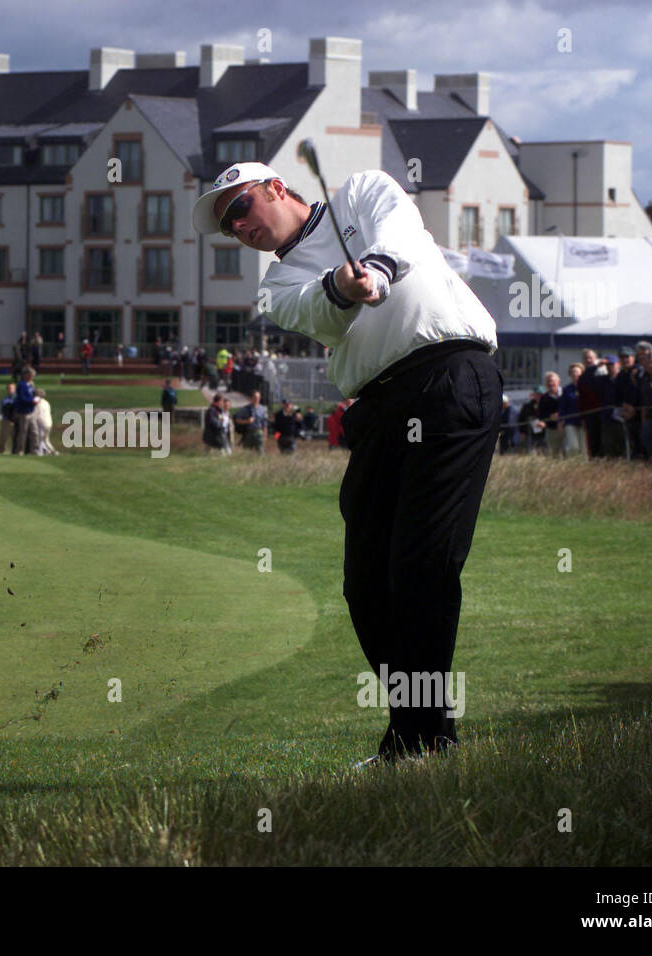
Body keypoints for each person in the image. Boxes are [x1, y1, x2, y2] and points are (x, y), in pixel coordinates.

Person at [194, 160, 501, 763]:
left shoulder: (359, 191)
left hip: (450, 375)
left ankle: (421, 741)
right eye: (229, 226)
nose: (239, 228)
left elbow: (401, 232)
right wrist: (344, 286)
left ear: (276, 188)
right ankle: (422, 733)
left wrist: (379, 270)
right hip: (381, 405)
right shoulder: (275, 286)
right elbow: (316, 311)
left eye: (241, 208)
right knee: (366, 583)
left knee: (421, 566)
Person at [538, 371, 566, 458]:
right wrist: (549, 418)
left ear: (558, 381)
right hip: (551, 429)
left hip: (567, 426)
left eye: (553, 381)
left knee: (568, 451)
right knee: (553, 454)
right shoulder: (544, 397)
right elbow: (541, 414)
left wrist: (561, 416)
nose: (551, 383)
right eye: (548, 381)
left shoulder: (566, 393)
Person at [12, 367, 40, 454]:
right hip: (24, 412)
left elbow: (33, 394)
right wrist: (32, 401)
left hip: (31, 412)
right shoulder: (21, 385)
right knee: (23, 433)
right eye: (31, 375)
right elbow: (22, 398)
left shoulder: (30, 385)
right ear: (26, 375)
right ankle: (19, 450)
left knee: (34, 432)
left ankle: (35, 450)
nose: (32, 377)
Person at [35, 387, 58, 455]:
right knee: (46, 440)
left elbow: (37, 413)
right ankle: (54, 452)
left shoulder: (38, 403)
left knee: (39, 439)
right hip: (49, 423)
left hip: (42, 423)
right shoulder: (46, 403)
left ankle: (40, 453)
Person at [0, 382, 17, 453]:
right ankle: (1, 452)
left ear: (14, 389)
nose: (10, 390)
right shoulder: (5, 400)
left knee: (15, 439)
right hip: (6, 422)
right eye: (8, 388)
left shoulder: (17, 399)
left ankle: (15, 453)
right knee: (3, 439)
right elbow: (3, 411)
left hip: (15, 422)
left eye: (11, 388)